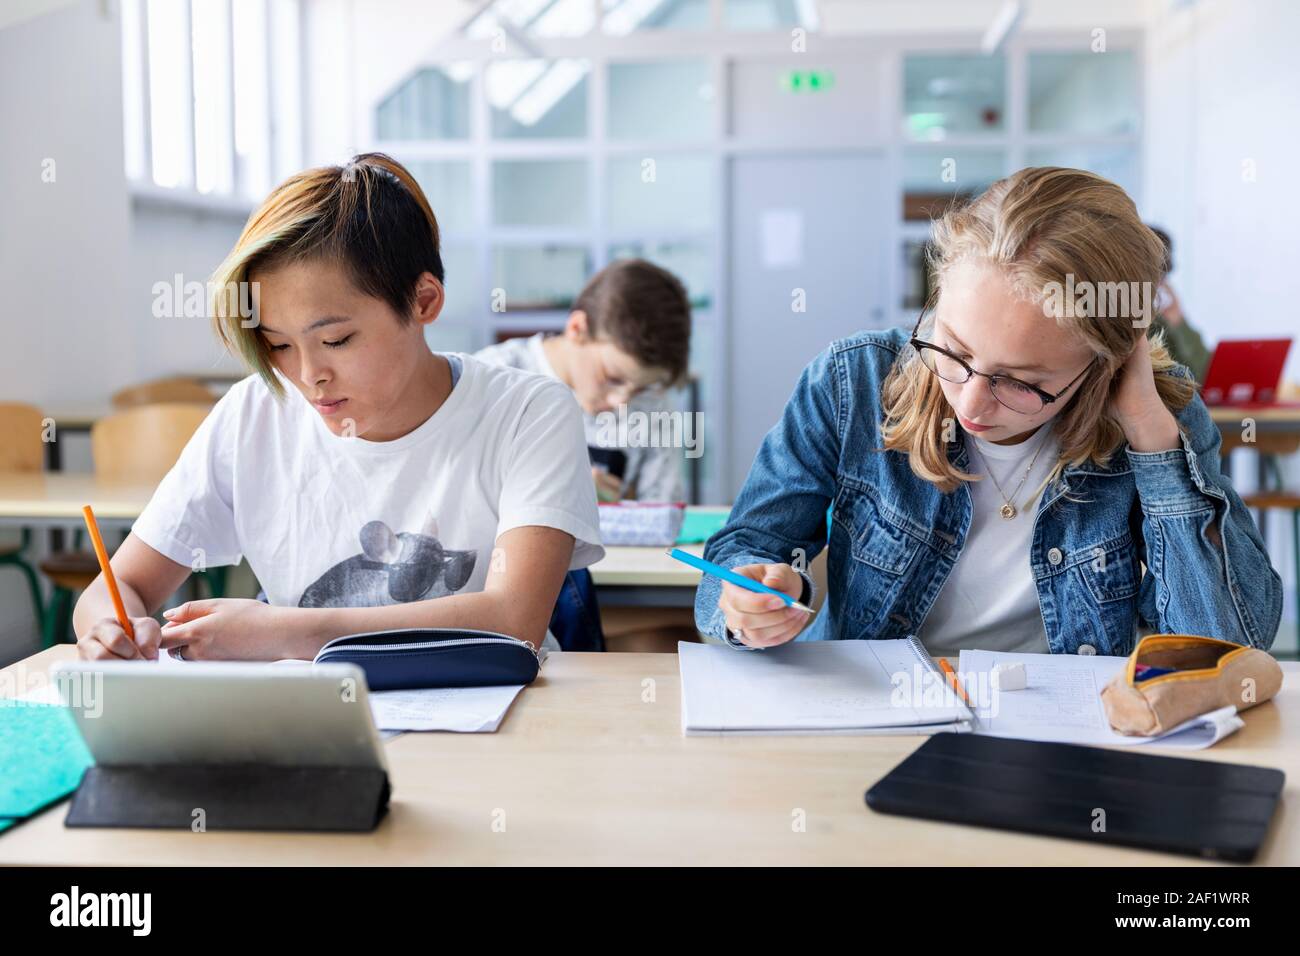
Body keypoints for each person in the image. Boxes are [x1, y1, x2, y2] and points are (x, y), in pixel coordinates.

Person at [696, 167, 1281, 656]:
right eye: (953, 350)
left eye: (1021, 382)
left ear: (1105, 362)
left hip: (1061, 742)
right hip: (875, 727)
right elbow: (743, 549)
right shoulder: (853, 382)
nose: (971, 403)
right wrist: (750, 595)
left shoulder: (1160, 416)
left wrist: (1153, 443)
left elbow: (1226, 648)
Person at [74, 153, 603, 660]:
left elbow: (515, 619)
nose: (308, 376)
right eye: (279, 345)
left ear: (423, 301)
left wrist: (283, 631)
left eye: (337, 340)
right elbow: (119, 585)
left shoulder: (529, 412)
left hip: (498, 725)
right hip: (307, 723)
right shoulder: (253, 413)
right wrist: (109, 628)